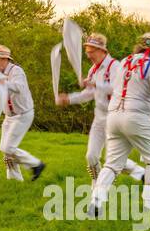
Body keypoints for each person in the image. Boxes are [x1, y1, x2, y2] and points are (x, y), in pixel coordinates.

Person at [90, 31, 150, 216]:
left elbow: (112, 87)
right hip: (137, 118)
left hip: (114, 116)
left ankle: (96, 202)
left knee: (112, 163)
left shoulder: (124, 62)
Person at [56, 32, 144, 187]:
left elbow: (118, 89)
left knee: (114, 161)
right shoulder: (93, 70)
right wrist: (68, 99)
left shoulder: (115, 66)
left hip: (115, 118)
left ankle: (141, 174)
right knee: (91, 156)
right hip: (99, 118)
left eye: (91, 51)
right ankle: (97, 187)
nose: (88, 55)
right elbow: (88, 94)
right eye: (87, 51)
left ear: (102, 50)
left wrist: (96, 85)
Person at [0, 44, 45, 182]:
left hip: (22, 114)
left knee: (8, 147)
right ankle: (14, 181)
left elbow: (18, 88)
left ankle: (36, 164)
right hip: (9, 116)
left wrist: (2, 82)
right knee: (6, 151)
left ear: (4, 59)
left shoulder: (16, 71)